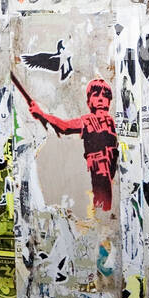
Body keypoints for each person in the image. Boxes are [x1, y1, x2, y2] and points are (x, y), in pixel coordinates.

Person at [26, 78, 119, 212]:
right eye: (96, 95)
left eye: (105, 95)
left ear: (109, 101)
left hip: (111, 164)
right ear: (89, 101)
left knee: (106, 201)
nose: (100, 99)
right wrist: (42, 115)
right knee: (103, 201)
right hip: (99, 164)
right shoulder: (88, 120)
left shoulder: (112, 121)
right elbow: (65, 126)